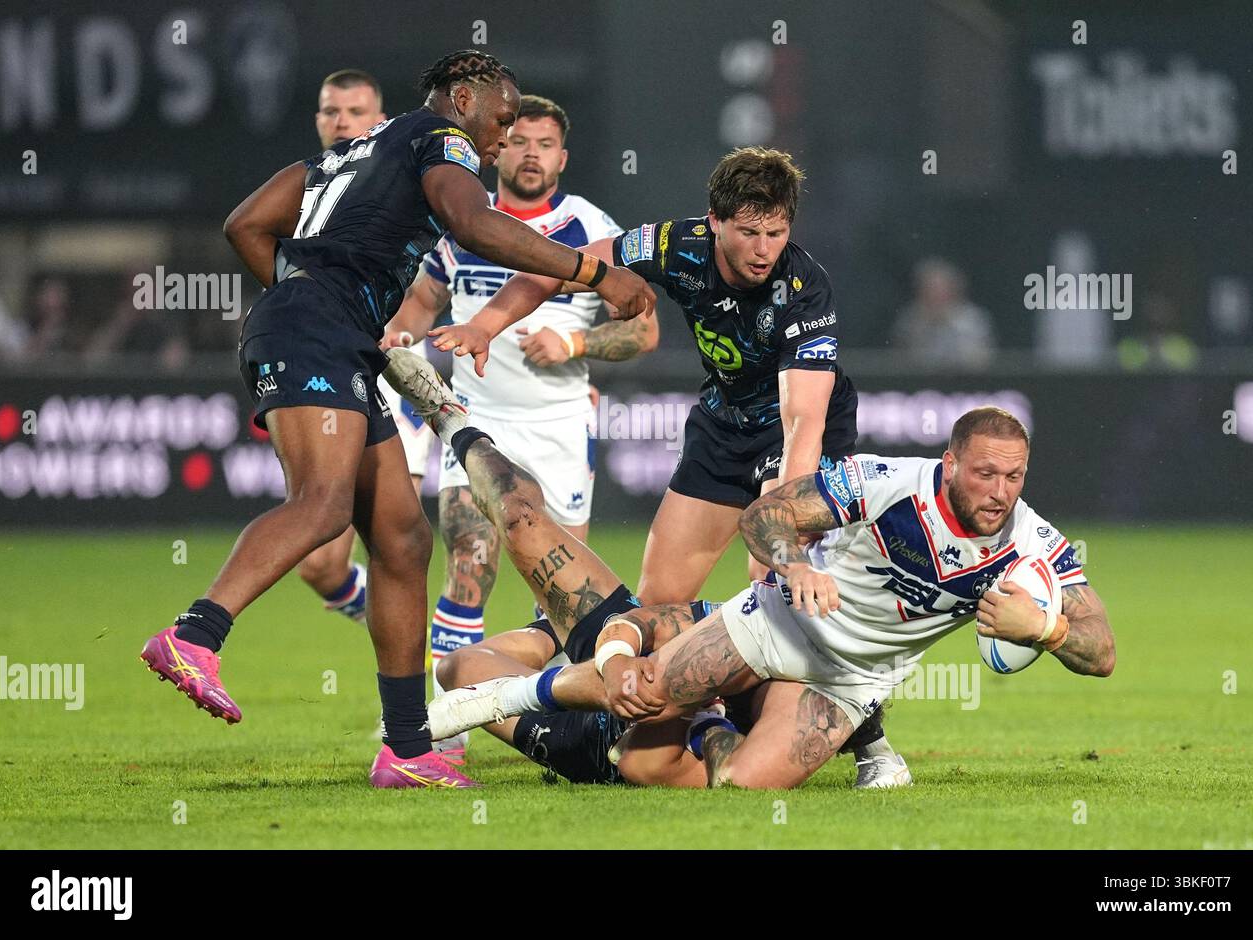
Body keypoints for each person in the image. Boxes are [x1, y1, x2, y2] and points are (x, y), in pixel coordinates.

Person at [138, 49, 655, 791]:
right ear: (463, 97)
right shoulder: (438, 138)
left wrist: (303, 292)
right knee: (321, 508)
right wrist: (595, 272)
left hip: (327, 331)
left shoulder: (348, 153)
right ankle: (194, 635)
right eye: (502, 117)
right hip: (317, 332)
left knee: (403, 538)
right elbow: (472, 225)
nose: (504, 136)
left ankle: (407, 749)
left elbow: (245, 223)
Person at [428, 401, 1116, 790]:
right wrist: (795, 566)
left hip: (845, 684)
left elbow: (1103, 651)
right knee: (638, 693)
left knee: (735, 789)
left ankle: (732, 724)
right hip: (773, 627)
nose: (999, 492)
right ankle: (494, 699)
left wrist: (1048, 631)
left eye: (1014, 477)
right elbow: (765, 516)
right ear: (950, 465)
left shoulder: (1029, 544)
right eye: (986, 474)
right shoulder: (885, 483)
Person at [381, 348, 906, 789]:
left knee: (455, 670)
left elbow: (653, 765)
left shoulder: (762, 747)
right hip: (632, 653)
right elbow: (650, 624)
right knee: (519, 520)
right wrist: (619, 662)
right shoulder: (767, 651)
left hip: (588, 746)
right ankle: (452, 421)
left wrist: (693, 709)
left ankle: (554, 647)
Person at [429, 147, 857, 606]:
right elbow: (554, 269)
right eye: (749, 232)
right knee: (655, 606)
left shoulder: (804, 289)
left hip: (795, 434)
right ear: (714, 221)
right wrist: (484, 326)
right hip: (723, 427)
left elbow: (803, 421)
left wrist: (786, 540)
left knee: (773, 576)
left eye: (776, 233)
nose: (763, 249)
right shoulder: (675, 245)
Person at [382, 94, 657, 741]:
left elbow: (642, 330)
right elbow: (420, 304)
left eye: (545, 144)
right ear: (498, 149)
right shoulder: (465, 223)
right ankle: (441, 730)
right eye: (520, 140)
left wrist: (578, 344)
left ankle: (576, 720)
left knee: (561, 598)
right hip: (478, 420)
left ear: (562, 156)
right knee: (469, 559)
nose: (530, 153)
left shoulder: (587, 228)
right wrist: (396, 342)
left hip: (560, 426)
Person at [292, 69, 438, 628]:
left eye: (354, 112)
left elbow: (428, 283)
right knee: (321, 566)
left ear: (379, 121)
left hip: (385, 375)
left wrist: (393, 327)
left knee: (392, 545)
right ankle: (401, 642)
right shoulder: (307, 187)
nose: (340, 122)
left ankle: (408, 696)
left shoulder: (402, 184)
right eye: (330, 111)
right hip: (324, 366)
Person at [891, 257, 995, 370]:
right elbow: (902, 358)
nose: (935, 294)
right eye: (930, 288)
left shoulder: (973, 317)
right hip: (920, 382)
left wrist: (951, 323)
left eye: (940, 288)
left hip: (965, 381)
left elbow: (981, 359)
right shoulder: (910, 317)